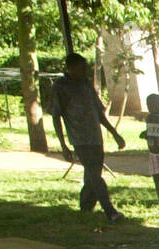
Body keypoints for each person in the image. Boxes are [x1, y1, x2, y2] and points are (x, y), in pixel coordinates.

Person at [48, 52, 125, 223]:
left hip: (95, 137)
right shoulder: (61, 87)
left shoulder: (86, 84)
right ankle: (110, 211)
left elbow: (99, 112)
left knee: (93, 174)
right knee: (94, 174)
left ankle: (85, 206)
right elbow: (56, 116)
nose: (84, 72)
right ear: (71, 68)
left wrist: (114, 133)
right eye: (81, 68)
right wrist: (64, 146)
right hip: (80, 138)